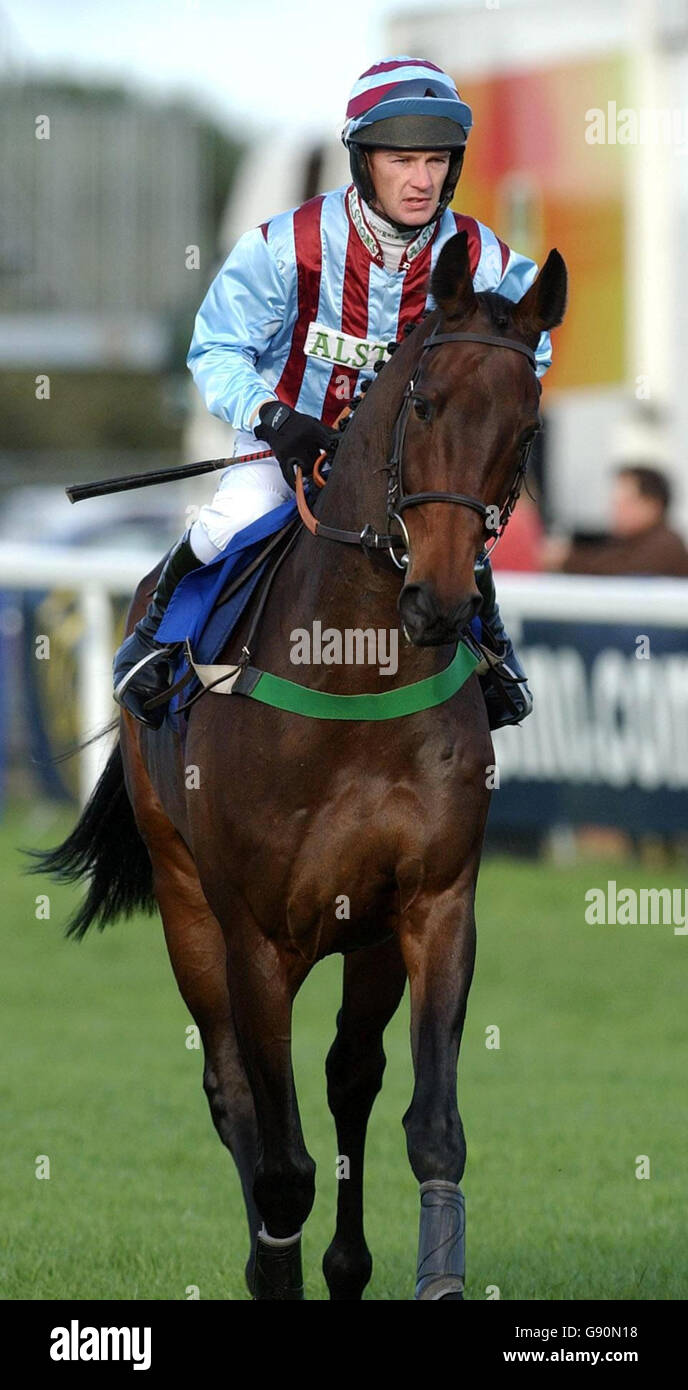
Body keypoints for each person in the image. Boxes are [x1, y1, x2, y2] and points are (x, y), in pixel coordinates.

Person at [113, 56, 554, 730]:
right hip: (289, 440)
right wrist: (272, 418)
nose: (422, 180)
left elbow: (532, 348)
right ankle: (151, 644)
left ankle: (493, 654)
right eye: (402, 161)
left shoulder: (487, 257)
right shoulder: (287, 246)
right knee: (229, 522)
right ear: (363, 160)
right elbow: (215, 347)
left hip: (410, 461)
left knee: (456, 535)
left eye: (436, 161)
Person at [544, 464, 688, 577]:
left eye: (625, 503)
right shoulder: (628, 541)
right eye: (615, 503)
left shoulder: (666, 545)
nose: (615, 510)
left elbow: (621, 572)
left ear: (652, 505)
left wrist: (566, 559)